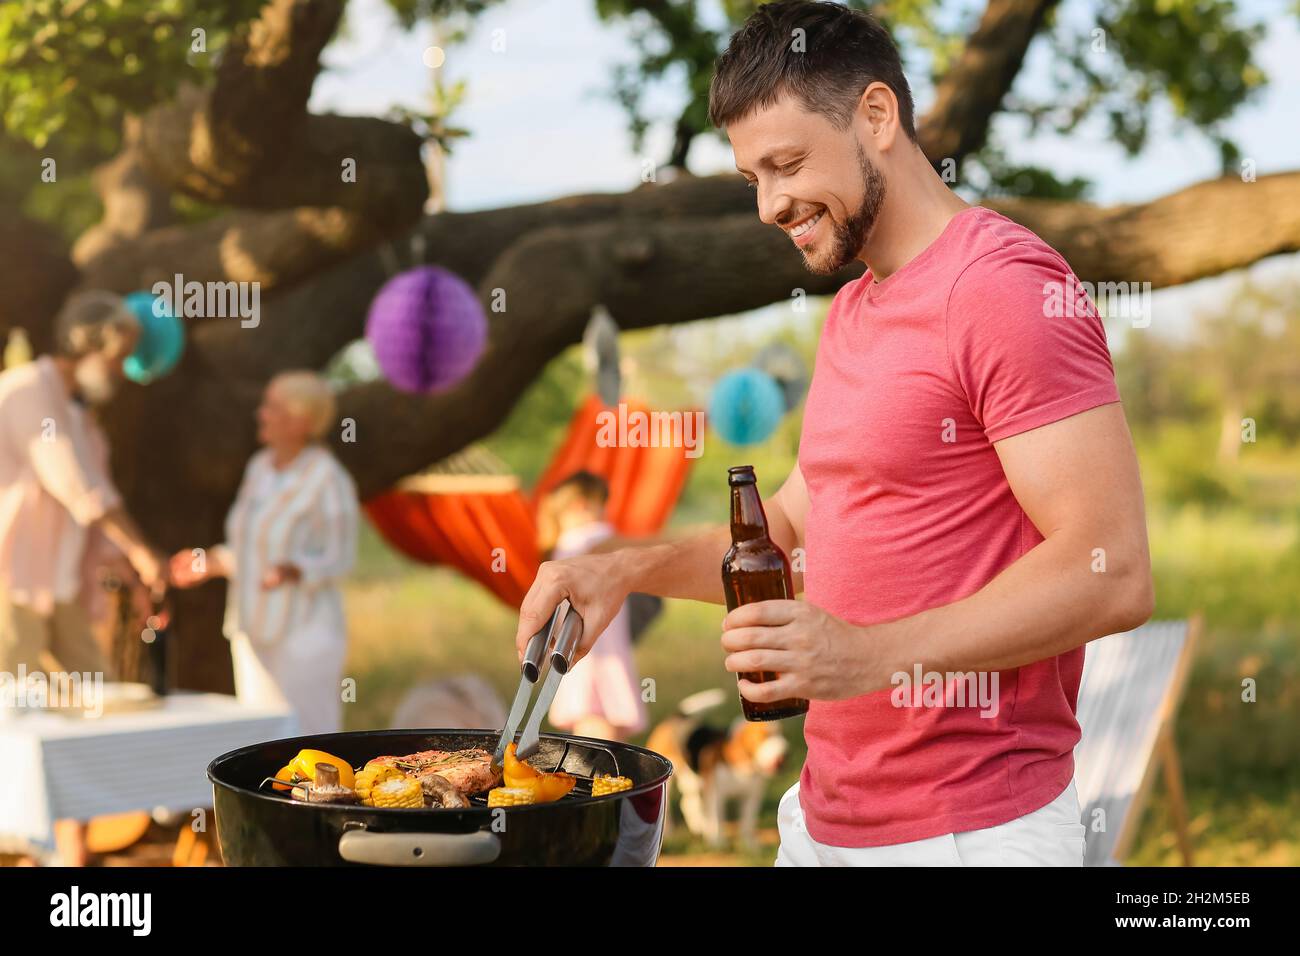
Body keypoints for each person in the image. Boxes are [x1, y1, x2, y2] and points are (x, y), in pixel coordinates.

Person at [516, 1, 1153, 867]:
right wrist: (618, 568)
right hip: (824, 820)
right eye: (753, 180)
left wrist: (867, 655)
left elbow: (1111, 571)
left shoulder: (1003, 288)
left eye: (787, 164)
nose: (772, 205)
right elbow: (783, 530)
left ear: (877, 115)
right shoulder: (855, 307)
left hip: (966, 835)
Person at [0, 291, 169, 866]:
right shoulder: (25, 390)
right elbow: (76, 487)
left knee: (97, 707)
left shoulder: (85, 420)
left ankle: (71, 854)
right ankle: (21, 845)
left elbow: (94, 521)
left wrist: (132, 571)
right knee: (11, 715)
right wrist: (145, 552)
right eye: (120, 356)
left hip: (63, 589)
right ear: (88, 343)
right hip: (10, 585)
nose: (124, 371)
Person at [170, 371, 358, 735]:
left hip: (305, 633)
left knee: (308, 737)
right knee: (260, 737)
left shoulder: (328, 478)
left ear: (301, 420)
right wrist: (211, 562)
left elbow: (341, 556)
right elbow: (248, 546)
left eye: (272, 407)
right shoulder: (259, 468)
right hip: (250, 627)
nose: (262, 415)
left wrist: (296, 569)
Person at [535, 471, 646, 742]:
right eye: (602, 505)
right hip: (599, 658)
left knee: (594, 740)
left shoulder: (563, 547)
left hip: (581, 658)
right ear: (583, 505)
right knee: (602, 753)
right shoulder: (590, 538)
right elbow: (620, 546)